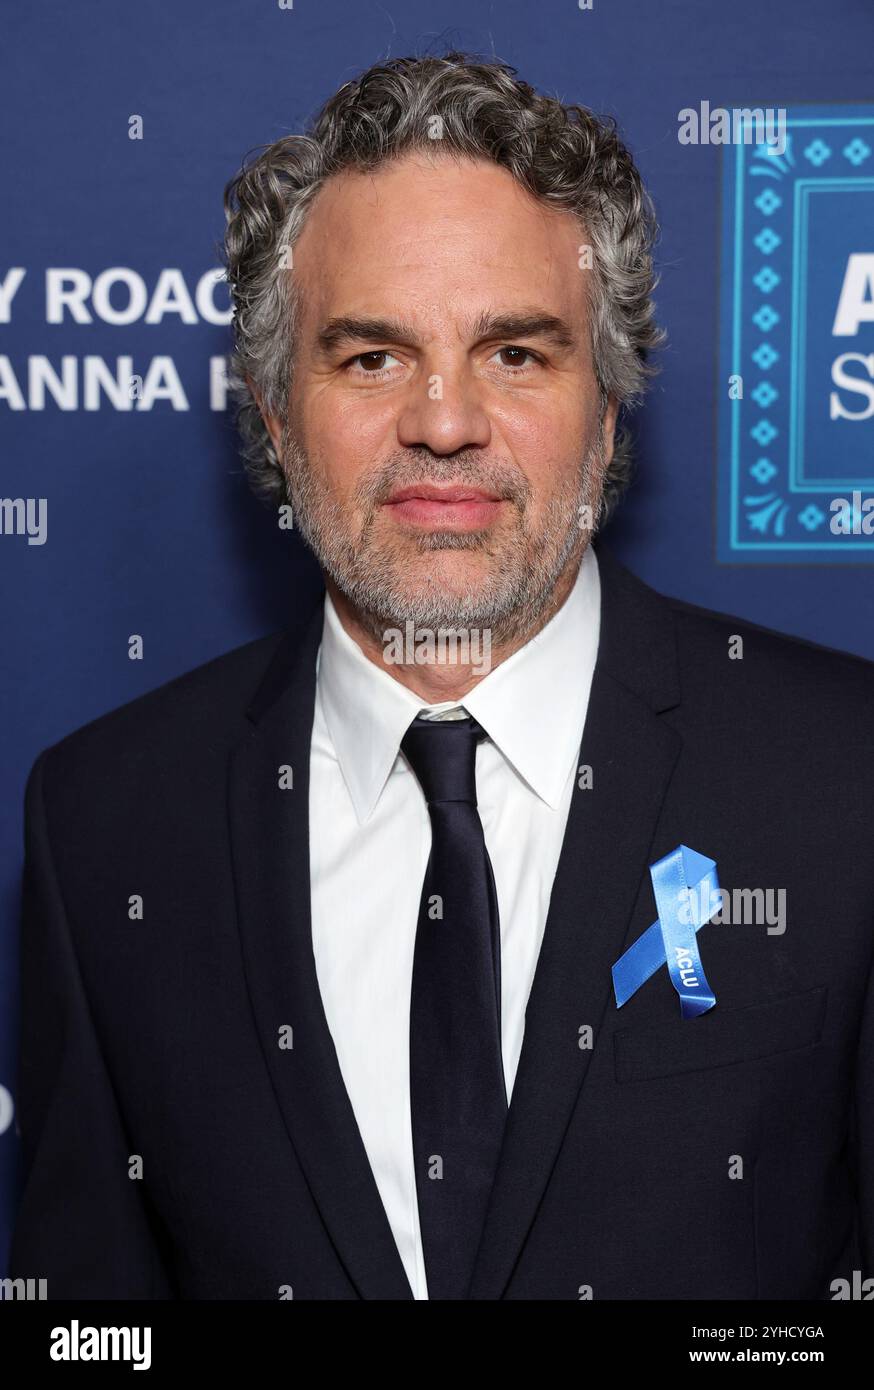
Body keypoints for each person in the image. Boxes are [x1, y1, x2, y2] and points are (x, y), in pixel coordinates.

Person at [10, 52, 874, 1301]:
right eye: (369, 358)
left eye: (515, 354)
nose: (445, 421)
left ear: (611, 406)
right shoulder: (105, 824)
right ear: (269, 409)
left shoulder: (843, 779)